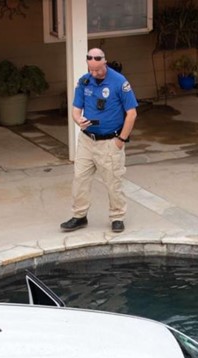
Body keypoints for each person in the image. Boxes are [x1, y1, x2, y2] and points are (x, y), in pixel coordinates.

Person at [60, 48, 138, 234]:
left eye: (97, 70)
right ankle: (79, 216)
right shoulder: (84, 81)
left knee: (113, 181)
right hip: (87, 141)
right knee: (80, 179)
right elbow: (76, 109)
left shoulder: (120, 82)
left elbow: (132, 113)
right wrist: (78, 120)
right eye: (91, 70)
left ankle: (117, 217)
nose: (94, 73)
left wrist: (121, 140)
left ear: (105, 62)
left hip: (110, 141)